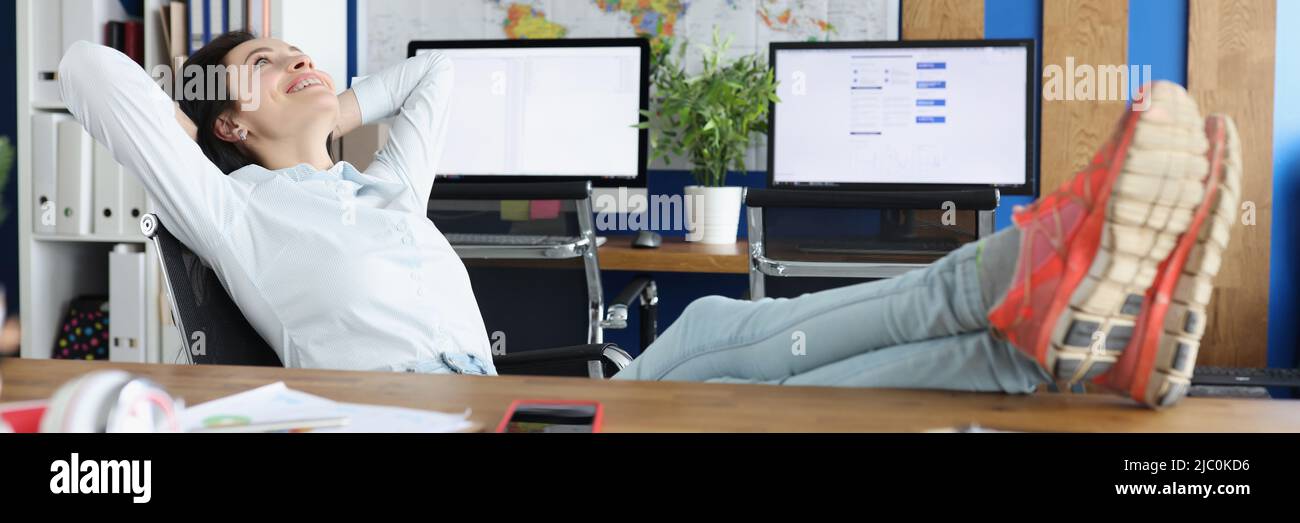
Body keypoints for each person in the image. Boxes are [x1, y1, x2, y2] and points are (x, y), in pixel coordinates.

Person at [60, 32, 1240, 408]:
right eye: (270, 67)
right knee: (749, 362)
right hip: (445, 422)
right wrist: (234, 93)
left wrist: (331, 103)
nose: (303, 62)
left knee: (733, 321)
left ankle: (1078, 338)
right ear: (220, 121)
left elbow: (437, 78)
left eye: (302, 49)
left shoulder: (381, 191)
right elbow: (86, 65)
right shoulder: (232, 208)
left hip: (509, 402)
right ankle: (1052, 258)